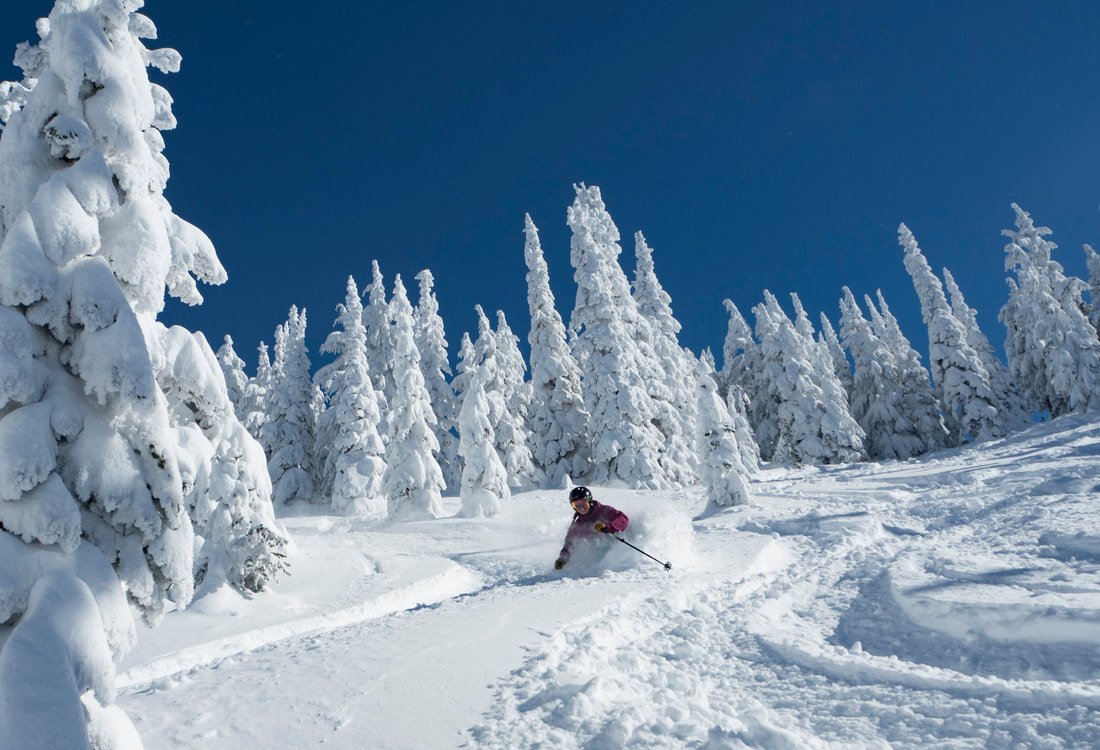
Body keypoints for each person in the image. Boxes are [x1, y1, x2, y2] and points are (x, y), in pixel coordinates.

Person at [554, 486, 629, 570]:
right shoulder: (578, 524)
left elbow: (623, 519)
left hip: (616, 554)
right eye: (576, 505)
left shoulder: (603, 510)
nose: (580, 507)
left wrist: (608, 527)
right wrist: (563, 559)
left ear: (589, 500)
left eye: (583, 503)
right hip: (598, 561)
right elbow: (569, 543)